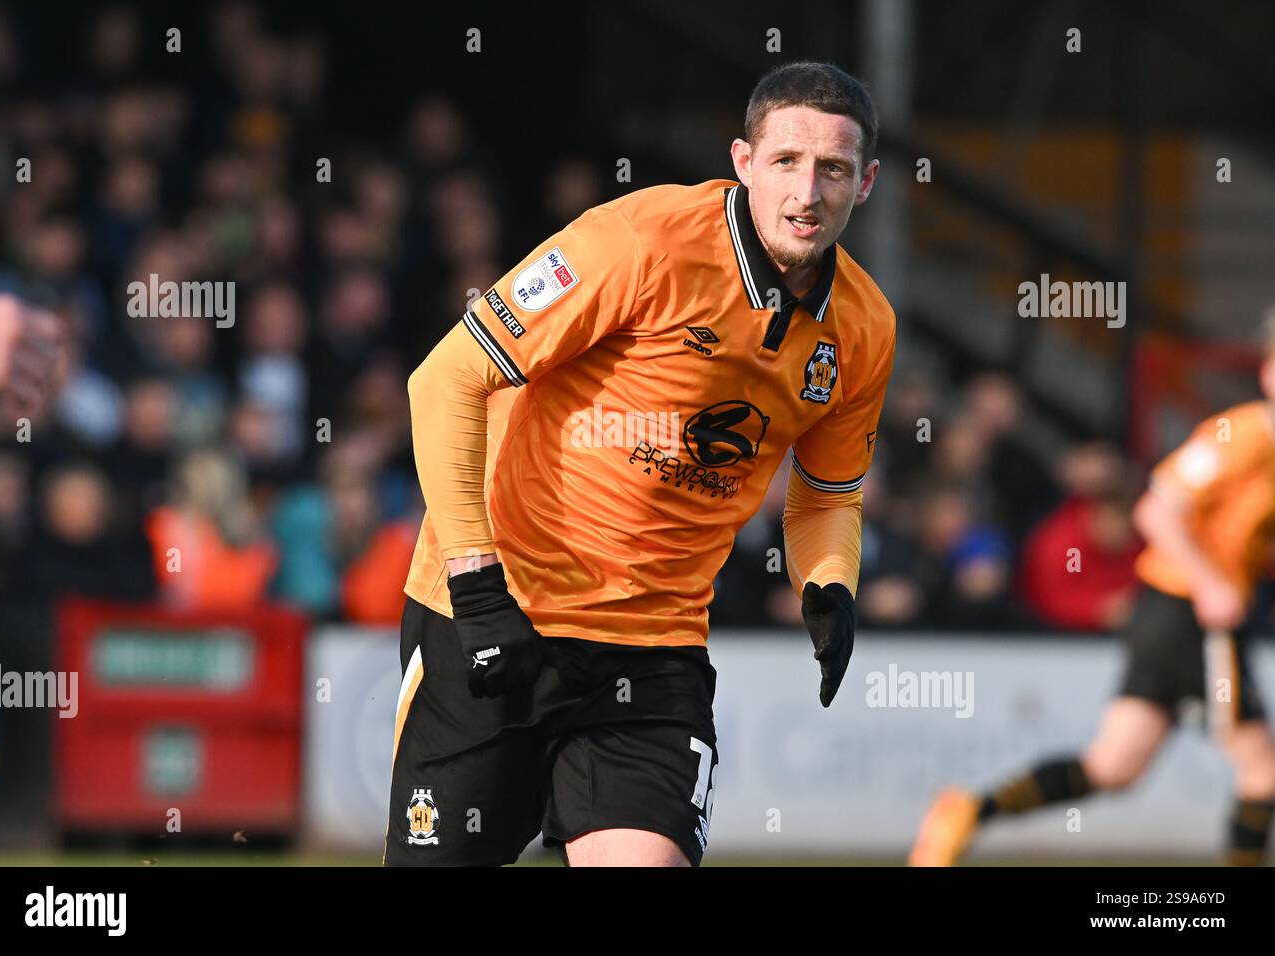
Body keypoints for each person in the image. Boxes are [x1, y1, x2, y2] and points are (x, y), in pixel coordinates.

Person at [385, 62, 896, 867]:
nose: (808, 190)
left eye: (833, 168)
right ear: (743, 162)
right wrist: (477, 586)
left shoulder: (864, 328)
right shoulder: (639, 241)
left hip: (654, 653)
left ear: (864, 183)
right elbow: (445, 378)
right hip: (496, 617)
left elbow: (828, 493)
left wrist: (828, 585)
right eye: (787, 162)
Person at [910, 325, 1275, 866]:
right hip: (1189, 615)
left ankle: (967, 810)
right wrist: (1211, 583)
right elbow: (1156, 510)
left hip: (1170, 613)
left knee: (1113, 768)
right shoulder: (1243, 436)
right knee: (1263, 771)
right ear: (1268, 373)